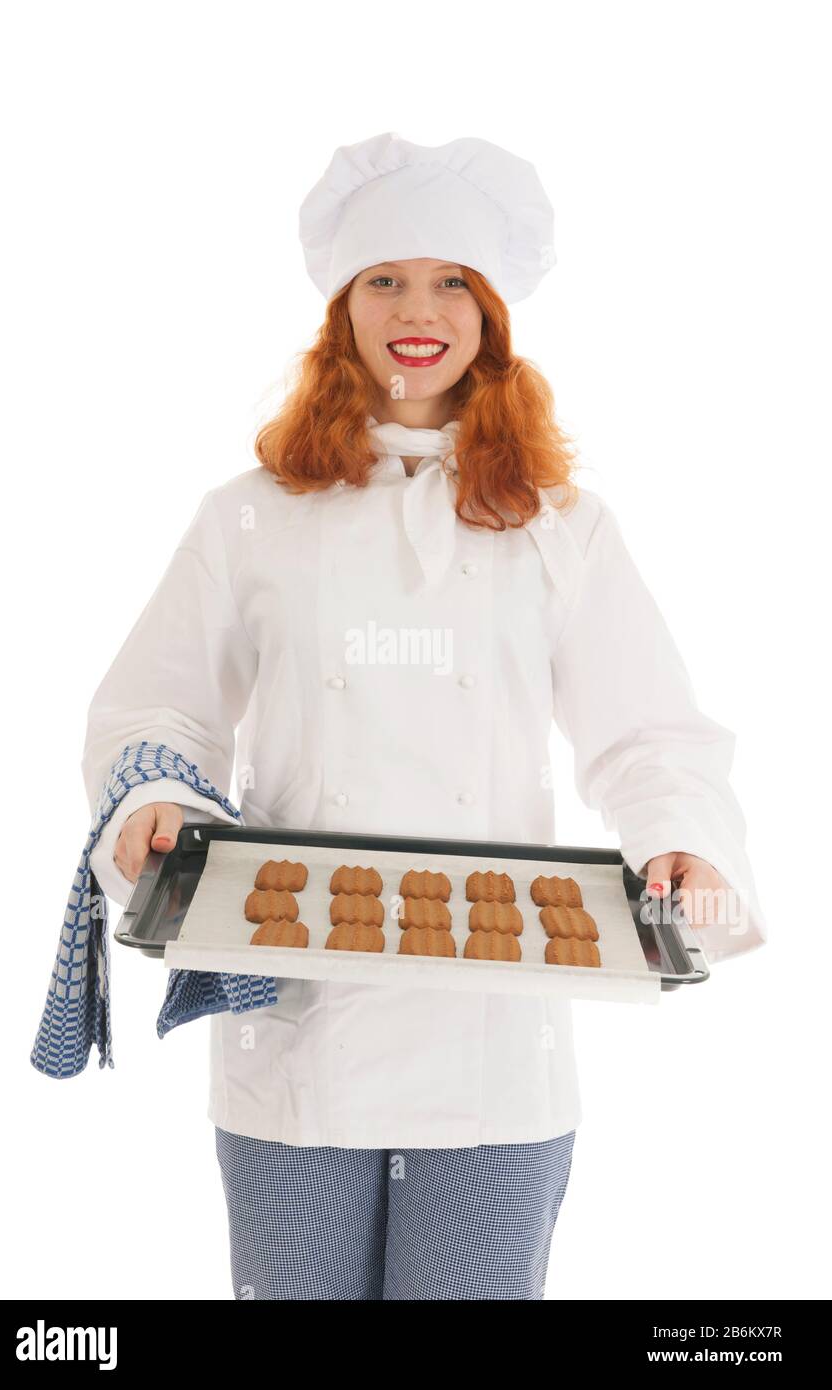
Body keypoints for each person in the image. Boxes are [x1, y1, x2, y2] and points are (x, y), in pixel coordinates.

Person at [83, 132, 767, 1300]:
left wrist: (679, 841)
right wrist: (155, 802)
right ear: (341, 307)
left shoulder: (560, 525)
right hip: (296, 1025)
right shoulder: (249, 517)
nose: (418, 308)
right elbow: (159, 708)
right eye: (383, 278)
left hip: (490, 1043)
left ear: (492, 316)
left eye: (452, 279)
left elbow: (646, 733)